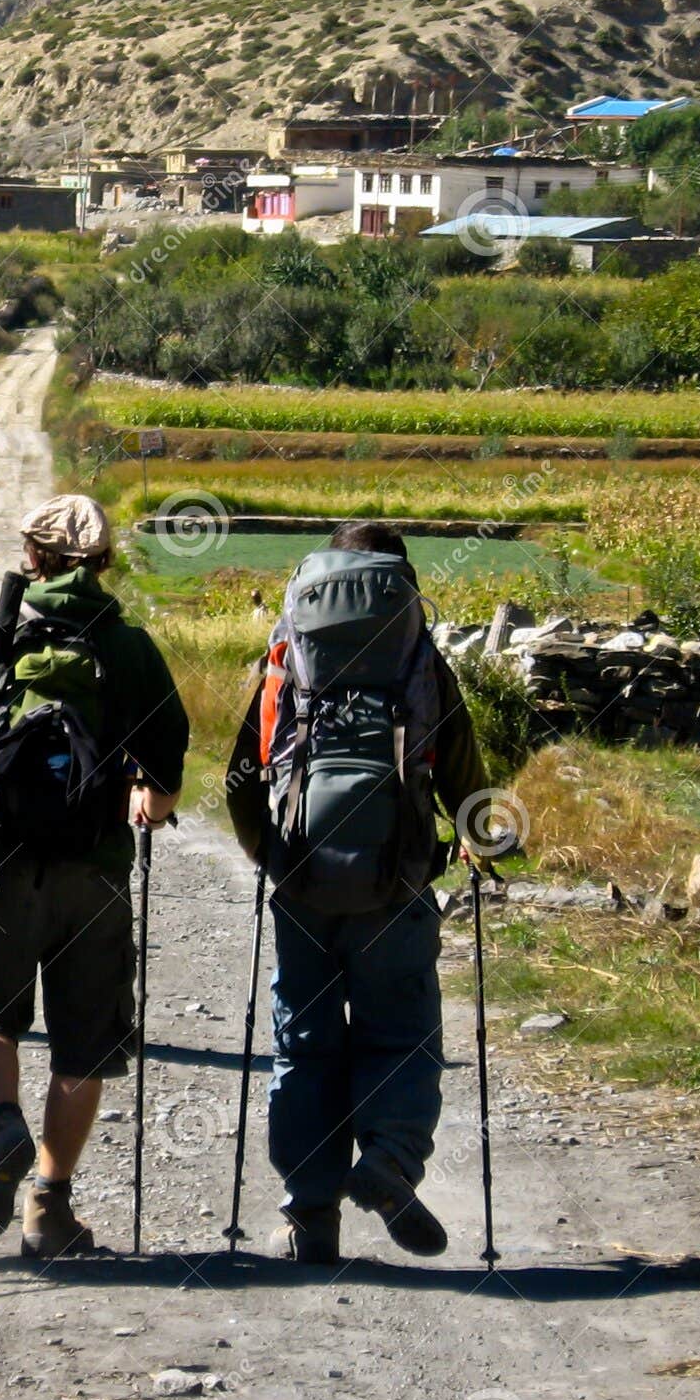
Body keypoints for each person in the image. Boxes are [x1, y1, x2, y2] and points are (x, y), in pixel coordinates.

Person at [0, 494, 188, 1257]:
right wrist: (148, 804)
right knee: (84, 1044)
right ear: (102, 563)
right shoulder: (130, 648)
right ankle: (48, 1206)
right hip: (95, 870)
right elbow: (166, 769)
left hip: (0, 863)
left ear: (32, 558)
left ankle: (2, 1124)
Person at [226, 521, 493, 1266]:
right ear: (400, 584)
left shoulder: (287, 661)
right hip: (396, 880)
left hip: (303, 883)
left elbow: (240, 776)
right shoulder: (420, 661)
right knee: (401, 1033)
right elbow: (465, 778)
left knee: (305, 1045)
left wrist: (271, 859)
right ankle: (388, 1162)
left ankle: (311, 1216)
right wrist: (484, 843)